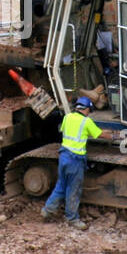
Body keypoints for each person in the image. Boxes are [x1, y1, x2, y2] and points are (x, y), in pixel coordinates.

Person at [42, 95, 102, 231]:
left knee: (61, 185)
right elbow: (99, 134)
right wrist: (116, 135)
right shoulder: (86, 122)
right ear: (86, 109)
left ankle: (47, 210)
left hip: (63, 157)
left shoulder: (67, 117)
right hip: (75, 160)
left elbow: (63, 130)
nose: (88, 113)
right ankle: (72, 218)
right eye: (89, 111)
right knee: (73, 189)